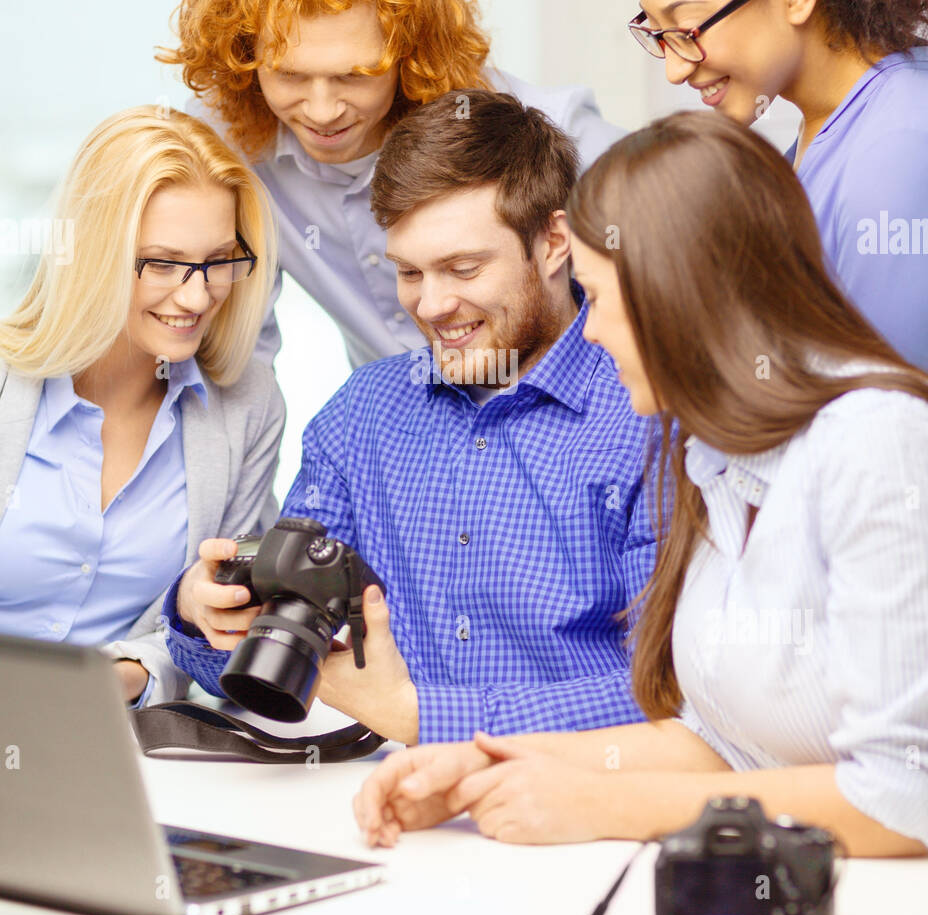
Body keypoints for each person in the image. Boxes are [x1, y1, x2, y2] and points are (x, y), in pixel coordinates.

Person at [353, 111, 928, 858]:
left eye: (603, 295)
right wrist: (488, 766)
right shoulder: (711, 454)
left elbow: (904, 794)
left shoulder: (875, 440)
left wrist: (608, 803)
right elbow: (722, 743)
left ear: (684, 292)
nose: (590, 331)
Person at [162, 91, 656, 743]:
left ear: (554, 242)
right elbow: (277, 652)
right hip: (387, 808)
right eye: (409, 272)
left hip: (587, 811)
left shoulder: (651, 415)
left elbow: (680, 690)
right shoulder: (362, 415)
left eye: (462, 268)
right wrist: (200, 612)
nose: (432, 304)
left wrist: (426, 718)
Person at [157, 0, 623, 369]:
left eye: (355, 76)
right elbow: (236, 351)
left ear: (410, 52)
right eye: (289, 76)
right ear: (247, 59)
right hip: (388, 435)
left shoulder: (555, 135)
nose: (321, 110)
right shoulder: (222, 146)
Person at [624, 0, 928, 368]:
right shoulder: (821, 139)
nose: (674, 68)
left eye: (687, 27)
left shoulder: (896, 154)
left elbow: (893, 425)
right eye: (656, 32)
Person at [0, 107, 285, 706]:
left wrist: (130, 672)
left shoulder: (247, 407)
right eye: (161, 262)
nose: (197, 295)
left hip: (116, 744)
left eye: (217, 261)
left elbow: (214, 638)